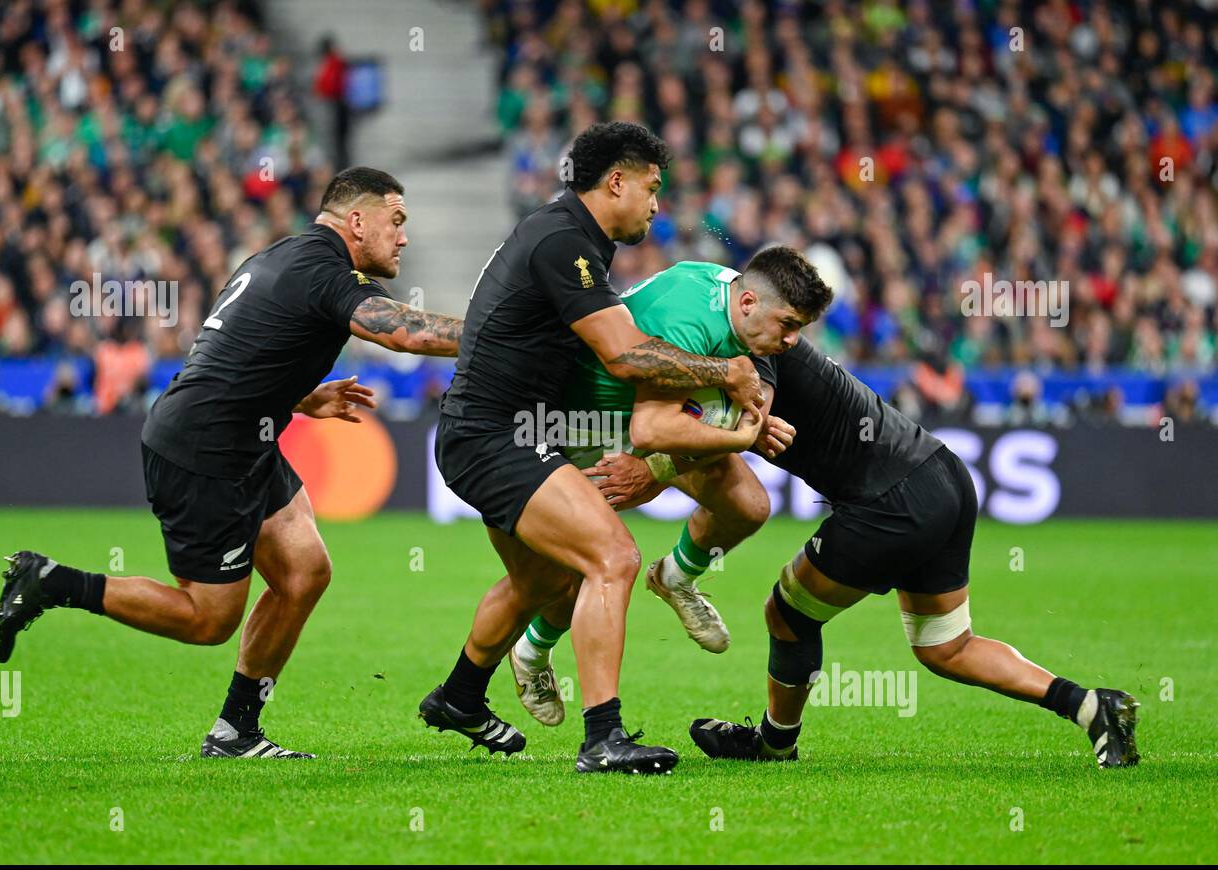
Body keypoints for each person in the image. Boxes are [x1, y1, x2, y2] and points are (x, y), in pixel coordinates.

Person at [591, 246, 1141, 769]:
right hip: (943, 475)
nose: (790, 339)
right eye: (788, 325)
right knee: (946, 646)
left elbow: (745, 422)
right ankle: (1091, 706)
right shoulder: (747, 336)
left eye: (796, 329)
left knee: (787, 614)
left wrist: (654, 469)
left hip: (892, 499)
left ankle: (775, 746)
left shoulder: (750, 349)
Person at [0, 168, 465, 759]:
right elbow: (405, 332)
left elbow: (237, 358)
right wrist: (503, 331)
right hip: (204, 451)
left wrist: (300, 396)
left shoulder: (276, 259)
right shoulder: (323, 271)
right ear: (357, 221)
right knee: (207, 620)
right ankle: (54, 582)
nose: (404, 237)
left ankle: (236, 731)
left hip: (243, 439)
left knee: (305, 571)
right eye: (397, 221)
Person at [423, 121, 762, 774]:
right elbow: (626, 352)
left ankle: (460, 697)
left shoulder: (567, 240)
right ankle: (603, 738)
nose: (657, 204)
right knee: (614, 554)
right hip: (495, 435)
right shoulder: (563, 241)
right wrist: (727, 374)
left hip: (502, 430)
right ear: (615, 182)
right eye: (651, 188)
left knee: (539, 579)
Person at [507, 250, 823, 726]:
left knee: (749, 505)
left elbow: (747, 405)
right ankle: (531, 652)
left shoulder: (740, 310)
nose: (794, 340)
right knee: (583, 570)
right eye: (789, 324)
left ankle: (675, 577)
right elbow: (651, 431)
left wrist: (664, 466)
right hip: (579, 430)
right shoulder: (689, 321)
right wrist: (725, 441)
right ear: (749, 301)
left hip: (633, 424)